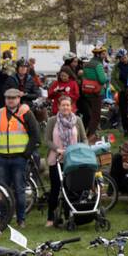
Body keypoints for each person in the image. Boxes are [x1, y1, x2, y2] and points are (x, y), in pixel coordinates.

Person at [0, 86, 41, 229]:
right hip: (2, 158)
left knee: (19, 190)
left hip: (19, 158)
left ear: (19, 99)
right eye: (8, 98)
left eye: (13, 98)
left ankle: (21, 220)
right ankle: (3, 221)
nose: (10, 100)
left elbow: (35, 135)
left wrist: (26, 154)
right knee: (2, 191)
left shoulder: (26, 113)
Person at [42, 94, 86, 227]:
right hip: (56, 159)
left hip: (73, 160)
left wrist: (79, 149)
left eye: (68, 105)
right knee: (55, 189)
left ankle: (69, 216)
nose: (66, 107)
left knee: (70, 189)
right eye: (63, 105)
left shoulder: (77, 120)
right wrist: (58, 149)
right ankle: (51, 217)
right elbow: (47, 140)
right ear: (58, 107)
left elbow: (84, 138)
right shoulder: (52, 121)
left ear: (71, 106)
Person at [79, 48, 108, 132]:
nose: (105, 55)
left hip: (87, 92)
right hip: (97, 92)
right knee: (96, 115)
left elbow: (84, 77)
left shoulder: (87, 64)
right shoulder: (98, 65)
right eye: (103, 54)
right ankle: (91, 135)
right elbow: (102, 80)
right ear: (98, 55)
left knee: (91, 114)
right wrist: (106, 77)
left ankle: (88, 133)